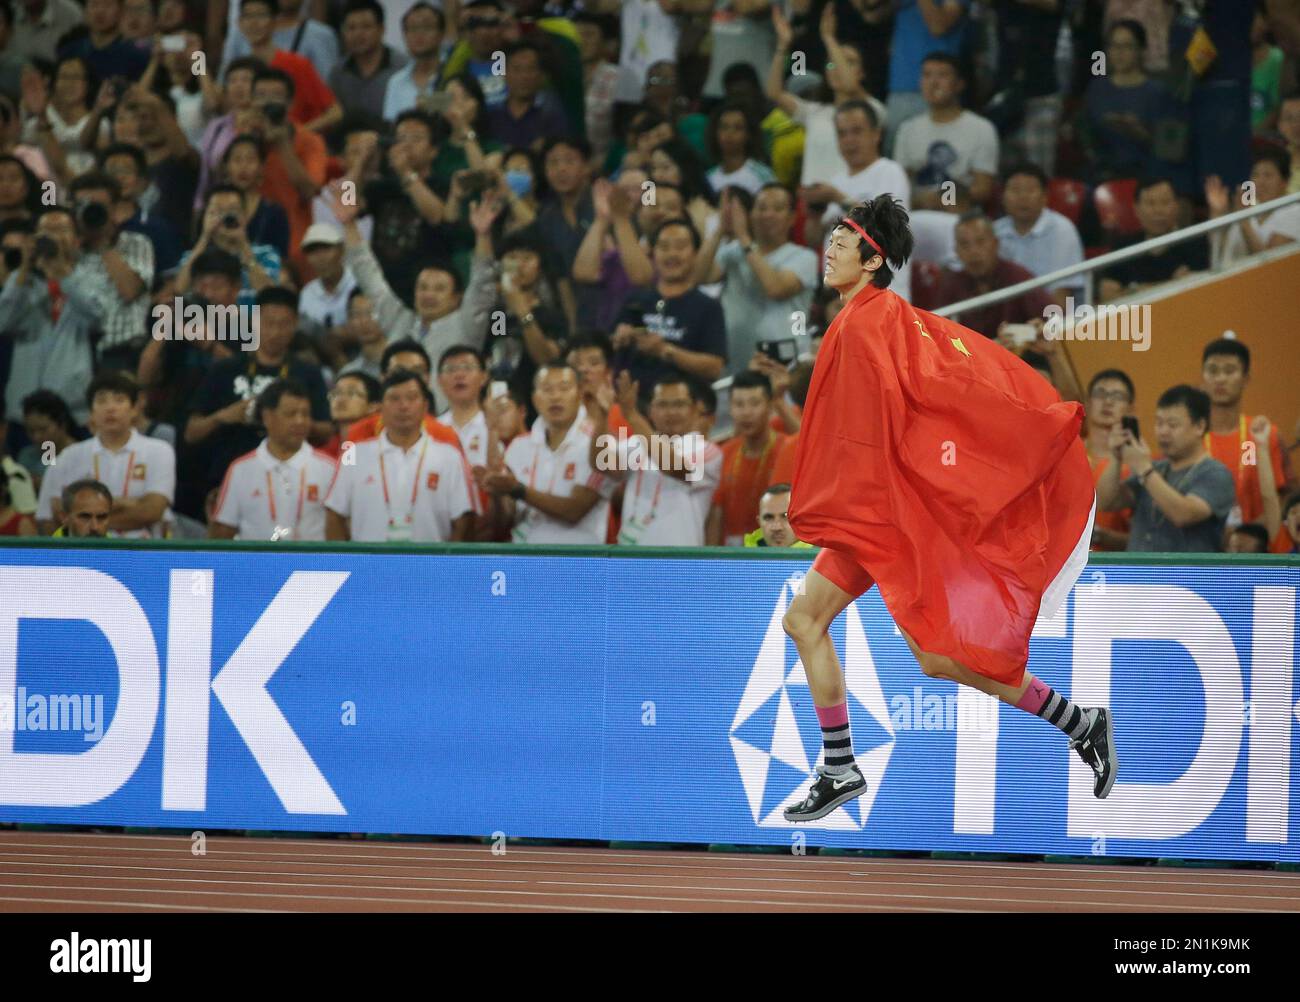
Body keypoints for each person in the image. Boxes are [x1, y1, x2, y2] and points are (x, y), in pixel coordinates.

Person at [781, 195, 1109, 823]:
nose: (829, 250)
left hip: (894, 518)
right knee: (807, 622)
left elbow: (929, 403)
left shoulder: (871, 321)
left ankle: (1079, 719)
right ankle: (840, 766)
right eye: (829, 241)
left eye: (842, 244)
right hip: (871, 516)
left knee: (939, 658)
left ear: (872, 260)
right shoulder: (863, 318)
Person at [326, 366, 474, 543]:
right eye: (394, 399)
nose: (404, 406)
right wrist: (346, 563)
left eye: (412, 398)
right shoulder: (354, 453)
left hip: (429, 566)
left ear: (425, 405)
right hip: (368, 566)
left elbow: (462, 521)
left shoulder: (449, 456)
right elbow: (334, 514)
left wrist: (446, 566)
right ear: (380, 407)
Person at [586, 370, 721, 547]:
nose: (671, 412)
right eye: (662, 405)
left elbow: (672, 467)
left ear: (696, 409)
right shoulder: (637, 443)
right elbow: (601, 463)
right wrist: (603, 416)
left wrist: (632, 416)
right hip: (632, 559)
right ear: (651, 411)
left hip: (680, 562)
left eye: (679, 404)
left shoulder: (707, 450)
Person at [695, 182, 819, 374]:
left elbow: (775, 288)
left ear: (792, 218)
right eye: (761, 208)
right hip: (735, 358)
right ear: (750, 214)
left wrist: (744, 237)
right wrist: (720, 229)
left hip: (784, 362)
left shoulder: (804, 257)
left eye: (777, 209)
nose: (767, 214)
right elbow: (699, 277)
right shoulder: (733, 251)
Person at [1098, 384, 1237, 554]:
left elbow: (1184, 514)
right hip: (1137, 577)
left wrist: (1144, 469)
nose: (1163, 431)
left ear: (1200, 426)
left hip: (1185, 578)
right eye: (1159, 423)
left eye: (1172, 425)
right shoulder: (1156, 468)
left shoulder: (1215, 473)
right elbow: (1106, 502)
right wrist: (1116, 457)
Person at [480, 361, 609, 544]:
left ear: (580, 394)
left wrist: (517, 489)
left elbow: (575, 510)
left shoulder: (598, 445)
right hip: (525, 563)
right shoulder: (519, 446)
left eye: (564, 388)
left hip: (579, 565)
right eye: (547, 389)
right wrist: (497, 493)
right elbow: (502, 524)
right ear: (534, 399)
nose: (555, 396)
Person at [36, 370, 175, 538]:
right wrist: (127, 504)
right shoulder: (68, 457)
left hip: (143, 554)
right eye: (101, 401)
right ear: (91, 413)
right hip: (83, 553)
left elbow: (151, 511)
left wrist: (82, 518)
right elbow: (50, 515)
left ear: (134, 409)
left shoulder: (159, 451)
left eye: (119, 400)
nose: (110, 408)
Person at [210, 378, 337, 540]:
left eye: (305, 414)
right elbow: (224, 530)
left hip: (311, 564)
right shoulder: (241, 469)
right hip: (256, 564)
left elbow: (339, 530)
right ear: (267, 417)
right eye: (291, 414)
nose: (300, 421)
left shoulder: (329, 468)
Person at [1199, 337, 1290, 528]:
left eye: (1230, 370)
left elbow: (1285, 498)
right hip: (1203, 549)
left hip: (1258, 548)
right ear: (1203, 377)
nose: (1220, 378)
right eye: (1213, 370)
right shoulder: (1191, 437)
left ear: (1246, 378)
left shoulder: (1263, 435)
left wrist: (1249, 534)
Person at [892, 53, 997, 214]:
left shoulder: (981, 129)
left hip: (962, 219)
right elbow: (897, 185)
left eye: (942, 75)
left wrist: (944, 198)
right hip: (916, 216)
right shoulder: (907, 129)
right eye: (927, 75)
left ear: (959, 84)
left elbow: (983, 189)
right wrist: (920, 200)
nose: (933, 83)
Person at [934, 211, 1053, 339]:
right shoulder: (951, 284)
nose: (973, 252)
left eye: (980, 242)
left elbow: (1053, 325)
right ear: (956, 252)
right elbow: (937, 333)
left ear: (995, 244)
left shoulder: (1018, 277)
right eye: (965, 245)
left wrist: (1023, 335)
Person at [706, 370, 788, 547]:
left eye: (754, 403)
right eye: (739, 404)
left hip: (775, 553)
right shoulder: (725, 451)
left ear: (770, 405)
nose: (746, 412)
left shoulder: (786, 449)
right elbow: (717, 513)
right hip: (731, 555)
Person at [1098, 177, 1210, 301]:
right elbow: (1107, 296)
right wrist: (1171, 285)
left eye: (1165, 202)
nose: (1158, 210)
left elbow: (1201, 290)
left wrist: (1134, 289)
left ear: (1177, 206)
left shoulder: (1195, 242)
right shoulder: (1122, 247)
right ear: (1136, 209)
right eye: (1150, 203)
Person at [993, 163, 1086, 308]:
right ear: (1002, 197)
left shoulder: (1062, 229)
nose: (1022, 197)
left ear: (1045, 197)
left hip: (1050, 317)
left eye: (1030, 190)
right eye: (1015, 190)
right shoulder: (994, 231)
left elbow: (1061, 297)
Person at [1083, 369, 1135, 552]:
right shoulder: (1067, 453)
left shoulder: (1138, 464)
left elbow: (1146, 538)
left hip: (1116, 572)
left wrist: (1098, 535)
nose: (1108, 401)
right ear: (1087, 402)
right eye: (1100, 394)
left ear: (1130, 408)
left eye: (1117, 396)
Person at [329, 0, 407, 123]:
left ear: (381, 29)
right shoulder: (338, 72)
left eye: (366, 27)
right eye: (351, 28)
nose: (358, 34)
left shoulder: (402, 67)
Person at [743, 482, 811, 548]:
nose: (777, 527)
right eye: (769, 518)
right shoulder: (742, 557)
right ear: (759, 522)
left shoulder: (817, 557)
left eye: (786, 516)